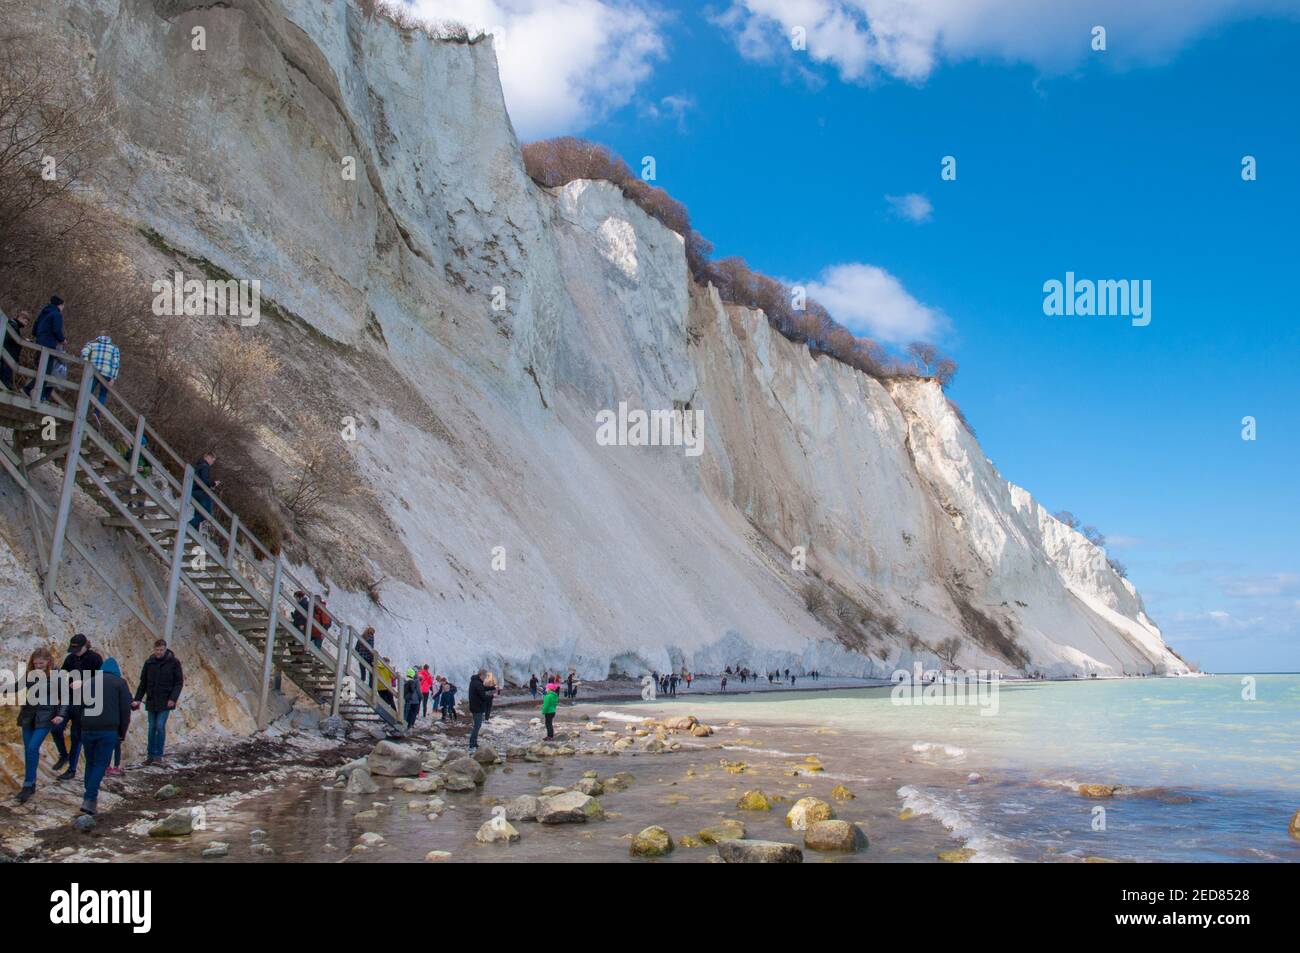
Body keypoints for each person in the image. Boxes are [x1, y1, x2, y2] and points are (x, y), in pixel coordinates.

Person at [77, 656, 133, 816]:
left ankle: (89, 797)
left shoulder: (90, 682)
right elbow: (125, 710)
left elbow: (80, 706)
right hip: (107, 730)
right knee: (101, 764)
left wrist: (82, 724)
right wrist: (122, 733)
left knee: (91, 762)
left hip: (87, 728)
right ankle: (89, 799)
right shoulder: (120, 683)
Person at [16, 647, 70, 804]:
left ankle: (27, 785)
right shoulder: (30, 674)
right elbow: (17, 686)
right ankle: (30, 783)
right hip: (28, 715)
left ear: (48, 661)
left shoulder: (57, 676)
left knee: (33, 748)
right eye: (35, 663)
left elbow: (65, 696)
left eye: (41, 663)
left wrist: (61, 715)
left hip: (46, 717)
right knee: (29, 750)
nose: (38, 666)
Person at [52, 634, 103, 780]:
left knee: (76, 736)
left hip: (85, 702)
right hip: (68, 699)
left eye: (77, 649)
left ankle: (72, 769)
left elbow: (100, 680)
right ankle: (63, 755)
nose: (75, 652)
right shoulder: (70, 658)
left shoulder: (95, 658)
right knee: (56, 728)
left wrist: (84, 683)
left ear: (85, 646)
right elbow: (64, 673)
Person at [132, 638, 183, 765]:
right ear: (154, 650)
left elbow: (178, 683)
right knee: (151, 727)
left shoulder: (174, 663)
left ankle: (158, 755)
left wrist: (173, 698)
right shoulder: (149, 663)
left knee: (160, 726)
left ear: (165, 649)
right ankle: (150, 755)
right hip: (151, 700)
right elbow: (143, 683)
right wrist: (137, 699)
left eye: (161, 650)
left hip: (166, 701)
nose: (159, 652)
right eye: (157, 650)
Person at [25, 296, 66, 402]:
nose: (63, 308)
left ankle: (34, 391)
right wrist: (62, 340)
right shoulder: (57, 314)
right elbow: (57, 329)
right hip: (49, 345)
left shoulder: (44, 312)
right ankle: (33, 391)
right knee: (46, 371)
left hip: (39, 341)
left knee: (39, 368)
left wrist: (38, 335)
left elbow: (35, 327)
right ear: (59, 305)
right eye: (63, 305)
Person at [80, 332, 121, 412]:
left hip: (93, 371)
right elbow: (116, 364)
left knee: (88, 391)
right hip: (106, 374)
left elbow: (84, 352)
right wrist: (113, 378)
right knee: (102, 394)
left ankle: (81, 409)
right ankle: (97, 413)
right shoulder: (114, 348)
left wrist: (87, 363)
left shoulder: (91, 343)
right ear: (109, 337)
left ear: (99, 335)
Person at [189, 452, 220, 532]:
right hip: (198, 492)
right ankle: (190, 526)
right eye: (212, 461)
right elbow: (204, 481)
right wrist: (213, 483)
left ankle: (194, 528)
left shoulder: (198, 465)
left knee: (198, 510)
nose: (212, 463)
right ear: (208, 457)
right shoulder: (205, 466)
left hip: (192, 490)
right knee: (206, 513)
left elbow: (201, 480)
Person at [1, 309, 28, 391]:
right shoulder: (12, 324)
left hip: (8, 355)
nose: (27, 321)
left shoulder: (14, 325)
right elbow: (9, 338)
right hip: (7, 355)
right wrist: (22, 340)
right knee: (5, 376)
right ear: (19, 317)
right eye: (25, 318)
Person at [467, 669, 493, 752]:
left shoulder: (475, 682)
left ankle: (474, 743)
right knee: (477, 726)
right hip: (477, 707)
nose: (485, 678)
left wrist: (491, 688)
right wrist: (492, 696)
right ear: (481, 675)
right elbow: (483, 696)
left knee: (477, 725)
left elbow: (482, 689)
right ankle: (472, 744)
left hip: (475, 707)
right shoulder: (477, 683)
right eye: (485, 676)